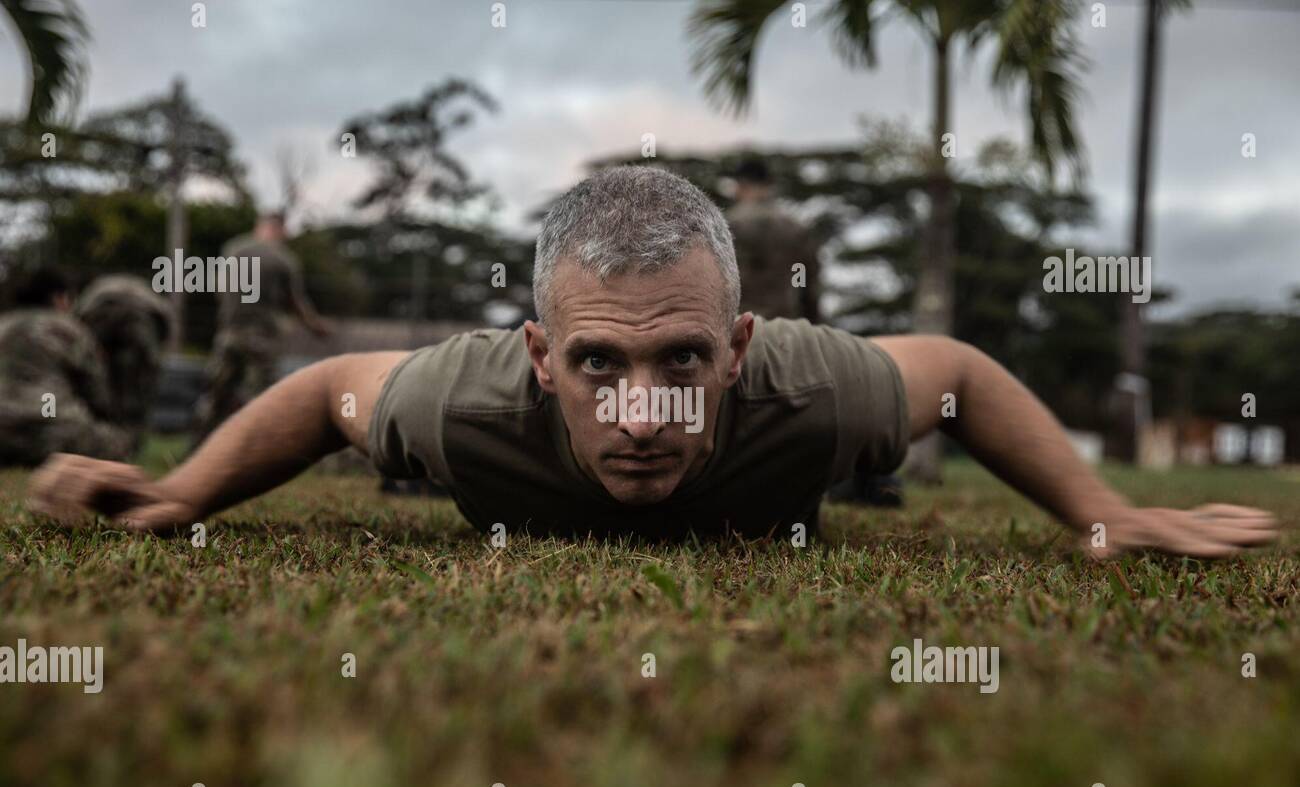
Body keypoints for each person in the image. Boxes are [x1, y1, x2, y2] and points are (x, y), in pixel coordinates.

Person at [27, 167, 1276, 558]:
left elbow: (953, 367)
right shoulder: (462, 402)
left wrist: (1101, 511)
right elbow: (319, 392)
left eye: (682, 357)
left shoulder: (808, 384)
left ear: (737, 350)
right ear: (535, 357)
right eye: (592, 366)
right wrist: (186, 491)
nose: (637, 411)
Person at [0, 271, 169, 466]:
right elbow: (98, 395)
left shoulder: (3, 325)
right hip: (49, 430)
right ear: (59, 298)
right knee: (121, 443)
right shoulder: (67, 329)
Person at [192, 212, 331, 440]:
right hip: (262, 338)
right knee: (263, 397)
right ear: (280, 229)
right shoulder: (284, 259)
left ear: (259, 226)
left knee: (216, 395)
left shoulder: (233, 249)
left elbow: (219, 290)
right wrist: (316, 326)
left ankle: (199, 446)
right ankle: (260, 449)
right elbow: (296, 302)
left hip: (228, 334)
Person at [725, 157, 821, 323]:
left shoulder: (728, 225)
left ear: (741, 185)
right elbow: (803, 277)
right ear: (769, 184)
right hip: (786, 324)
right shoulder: (795, 227)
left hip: (740, 325)